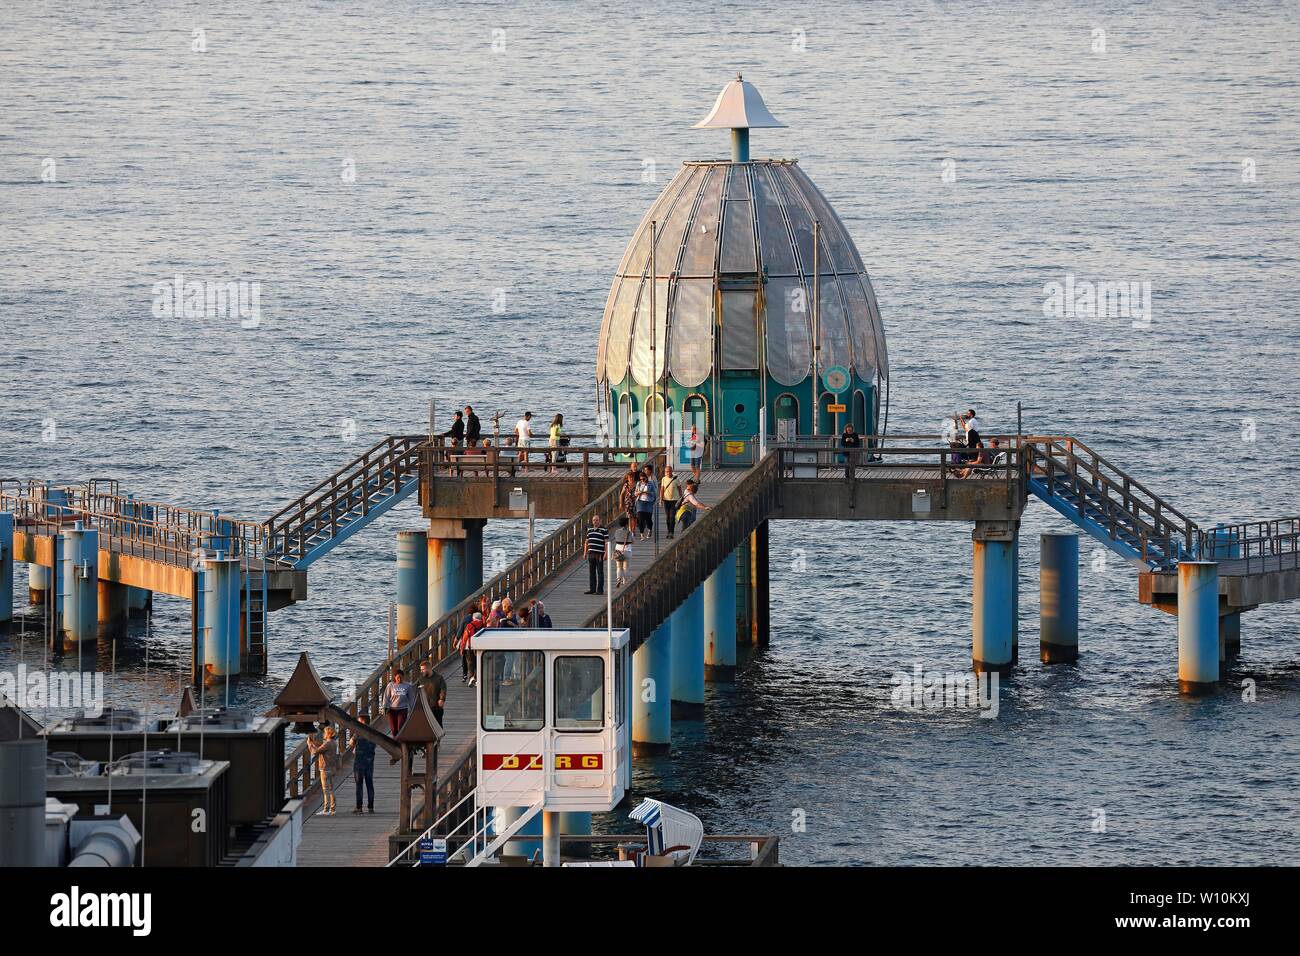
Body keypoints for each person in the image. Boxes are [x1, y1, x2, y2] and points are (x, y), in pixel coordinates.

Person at [307, 725, 338, 815]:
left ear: (328, 734)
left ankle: (326, 809)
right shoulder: (334, 742)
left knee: (325, 790)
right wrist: (313, 743)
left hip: (325, 769)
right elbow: (321, 748)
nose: (324, 734)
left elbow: (315, 752)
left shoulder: (327, 743)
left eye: (325, 733)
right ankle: (333, 809)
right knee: (332, 789)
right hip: (332, 768)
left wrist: (309, 744)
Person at [348, 715, 376, 814]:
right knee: (369, 783)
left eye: (359, 721)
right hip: (370, 760)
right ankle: (371, 807)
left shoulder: (358, 732)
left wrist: (355, 744)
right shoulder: (373, 732)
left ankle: (359, 807)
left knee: (359, 784)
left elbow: (351, 743)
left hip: (359, 761)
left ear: (363, 722)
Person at [415, 658, 447, 729]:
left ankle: (437, 740)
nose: (421, 671)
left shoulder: (439, 678)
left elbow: (443, 689)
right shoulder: (421, 680)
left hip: (437, 707)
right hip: (425, 708)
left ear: (429, 668)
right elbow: (417, 692)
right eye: (421, 669)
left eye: (423, 669)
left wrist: (442, 699)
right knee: (426, 727)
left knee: (438, 726)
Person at [383, 669, 414, 736]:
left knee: (400, 727)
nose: (399, 679)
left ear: (403, 677)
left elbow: (411, 698)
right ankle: (395, 742)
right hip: (391, 710)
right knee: (394, 729)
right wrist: (384, 707)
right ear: (395, 677)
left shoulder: (408, 686)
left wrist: (413, 709)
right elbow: (386, 697)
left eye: (401, 677)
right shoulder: (390, 685)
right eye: (398, 677)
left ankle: (400, 743)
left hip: (403, 709)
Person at [585, 512, 608, 595]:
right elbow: (586, 542)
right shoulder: (590, 530)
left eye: (597, 520)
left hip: (599, 554)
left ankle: (600, 590)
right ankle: (592, 589)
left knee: (600, 572)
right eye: (594, 520)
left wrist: (606, 553)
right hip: (591, 553)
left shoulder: (604, 530)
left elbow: (606, 542)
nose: (595, 522)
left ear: (600, 521)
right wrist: (585, 553)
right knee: (591, 572)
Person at [460, 611, 483, 686]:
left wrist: (462, 649)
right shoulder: (483, 625)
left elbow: (464, 638)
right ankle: (477, 678)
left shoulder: (470, 625)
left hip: (470, 647)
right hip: (480, 647)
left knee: (470, 663)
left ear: (474, 618)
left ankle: (471, 677)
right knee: (479, 663)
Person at [635, 467, 656, 540]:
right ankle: (641, 535)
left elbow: (654, 493)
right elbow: (635, 493)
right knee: (640, 519)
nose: (642, 480)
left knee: (648, 519)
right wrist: (638, 493)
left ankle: (649, 530)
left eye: (643, 479)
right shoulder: (638, 484)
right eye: (640, 479)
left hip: (648, 502)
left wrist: (648, 493)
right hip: (640, 502)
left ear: (646, 478)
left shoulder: (651, 483)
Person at [660, 465, 681, 538]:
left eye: (669, 471)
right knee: (667, 517)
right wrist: (661, 499)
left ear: (672, 471)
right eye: (666, 471)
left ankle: (672, 532)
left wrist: (681, 499)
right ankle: (668, 531)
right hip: (666, 500)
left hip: (674, 500)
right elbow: (662, 489)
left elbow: (679, 489)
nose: (668, 473)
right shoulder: (663, 479)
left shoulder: (676, 479)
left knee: (672, 517)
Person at [613, 515, 633, 587]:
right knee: (625, 567)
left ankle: (618, 579)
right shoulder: (629, 532)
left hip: (618, 550)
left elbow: (616, 539)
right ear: (627, 524)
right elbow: (632, 541)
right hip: (627, 550)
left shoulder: (616, 532)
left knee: (618, 567)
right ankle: (625, 581)